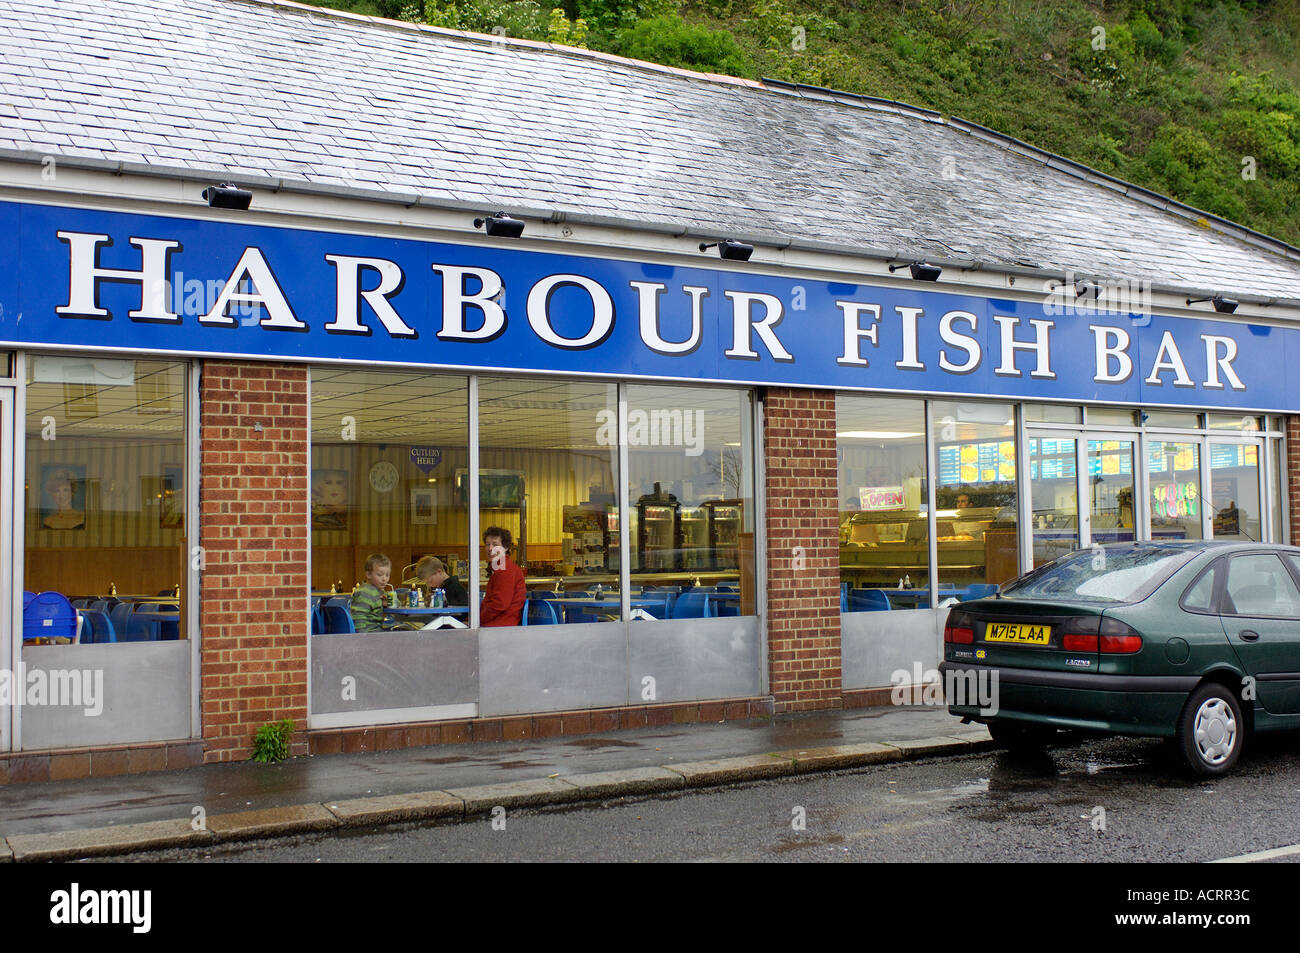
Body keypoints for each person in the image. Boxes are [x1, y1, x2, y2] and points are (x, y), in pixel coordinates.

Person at [480, 526, 525, 627]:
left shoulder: (505, 569)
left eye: (495, 544)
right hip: (499, 624)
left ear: (506, 547)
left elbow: (500, 604)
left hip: (500, 626)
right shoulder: (501, 567)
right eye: (487, 544)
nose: (490, 548)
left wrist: (476, 620)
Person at [350, 553, 391, 632]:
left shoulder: (380, 592)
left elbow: (397, 605)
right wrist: (362, 638)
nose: (384, 579)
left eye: (387, 575)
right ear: (368, 574)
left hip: (377, 631)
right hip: (370, 635)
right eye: (380, 575)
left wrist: (387, 603)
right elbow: (358, 617)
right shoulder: (364, 592)